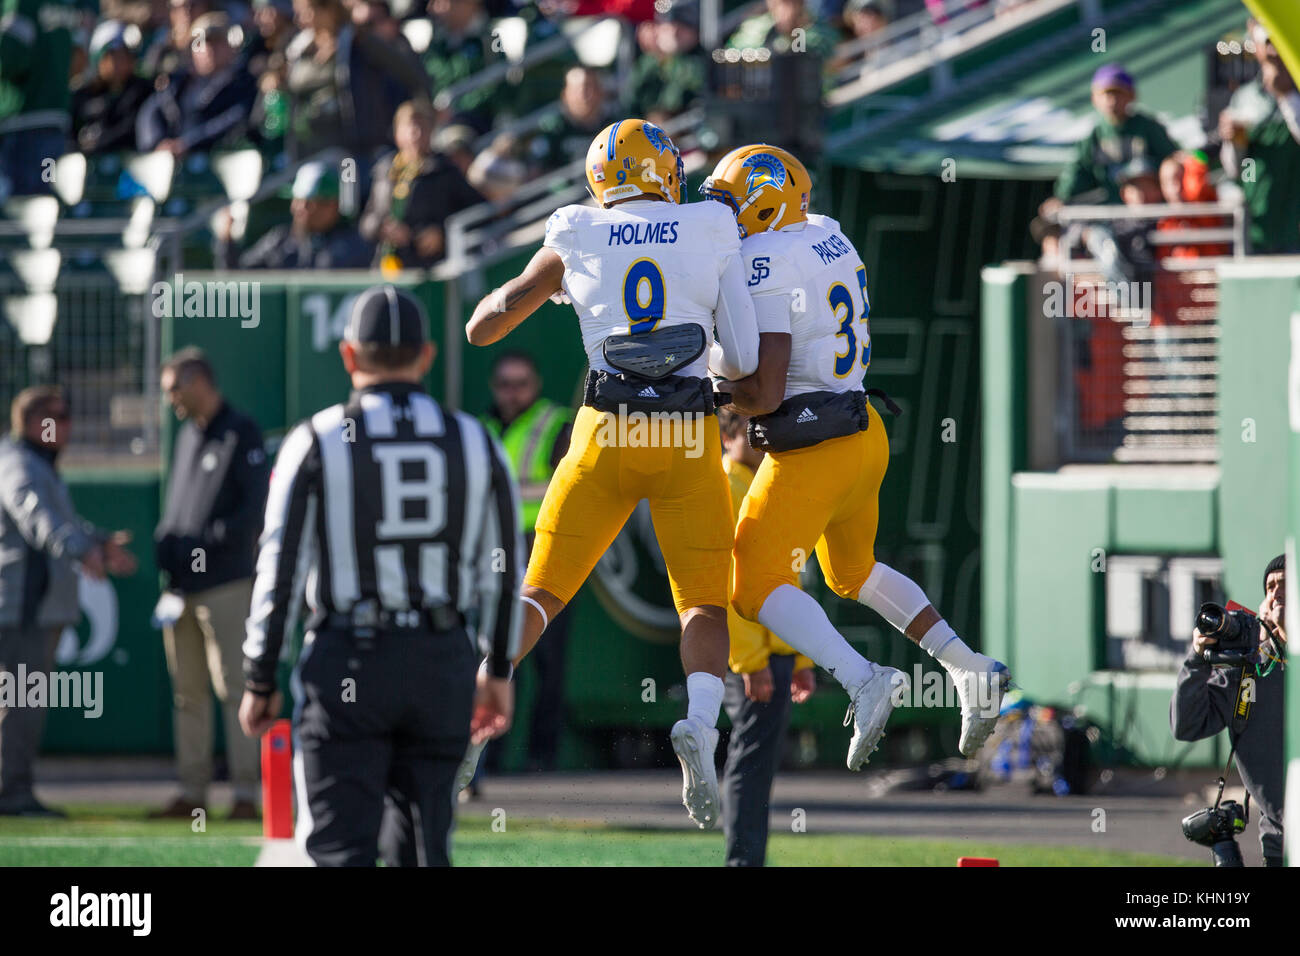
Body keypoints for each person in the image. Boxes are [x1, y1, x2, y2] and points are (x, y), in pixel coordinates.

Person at [461, 119, 760, 828]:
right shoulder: (711, 226)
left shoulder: (575, 229)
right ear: (666, 170)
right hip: (687, 434)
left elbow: (489, 322)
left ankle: (474, 705)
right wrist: (705, 366)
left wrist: (506, 306)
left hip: (605, 430)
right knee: (703, 605)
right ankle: (700, 722)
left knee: (540, 593)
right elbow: (743, 356)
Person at [701, 144, 1010, 766]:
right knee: (852, 572)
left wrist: (706, 389)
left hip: (812, 446)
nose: (722, 215)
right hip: (863, 428)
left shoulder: (765, 261)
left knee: (751, 583)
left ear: (763, 206)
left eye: (732, 202)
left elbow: (761, 394)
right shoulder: (825, 232)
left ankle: (863, 676)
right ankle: (970, 666)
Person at [241, 285, 522, 867]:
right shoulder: (476, 440)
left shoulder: (316, 439)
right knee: (422, 849)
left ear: (349, 356)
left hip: (349, 658)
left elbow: (280, 570)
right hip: (439, 658)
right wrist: (496, 669)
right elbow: (503, 565)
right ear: (426, 355)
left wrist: (259, 676)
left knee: (340, 849)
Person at [0, 387, 136, 816]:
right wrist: (84, 551)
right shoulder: (19, 462)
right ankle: (11, 794)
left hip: (38, 606)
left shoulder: (40, 464)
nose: (66, 425)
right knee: (20, 700)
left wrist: (96, 542)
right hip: (23, 605)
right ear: (30, 421)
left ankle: (13, 789)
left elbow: (65, 523)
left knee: (24, 700)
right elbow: (38, 518)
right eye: (55, 416)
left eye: (68, 414)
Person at [151, 349, 269, 821]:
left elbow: (251, 513)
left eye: (175, 389)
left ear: (200, 382)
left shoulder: (241, 432)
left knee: (236, 689)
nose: (172, 400)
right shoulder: (185, 436)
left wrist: (204, 545)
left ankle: (244, 795)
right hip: (180, 590)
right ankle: (192, 791)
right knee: (188, 693)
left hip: (226, 585)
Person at [716, 406, 814, 866]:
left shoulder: (765, 485)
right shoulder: (725, 487)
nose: (764, 440)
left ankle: (748, 858)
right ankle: (743, 861)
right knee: (751, 761)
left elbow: (786, 578)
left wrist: (800, 658)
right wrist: (750, 660)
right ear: (735, 431)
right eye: (756, 430)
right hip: (750, 659)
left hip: (772, 655)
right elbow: (728, 582)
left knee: (759, 761)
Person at [481, 351, 572, 772]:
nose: (512, 393)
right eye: (504, 384)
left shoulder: (556, 424)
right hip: (490, 552)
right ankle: (488, 754)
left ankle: (542, 759)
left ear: (535, 385)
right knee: (492, 654)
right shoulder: (479, 429)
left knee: (547, 661)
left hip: (543, 549)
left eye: (520, 384)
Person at [1171, 554, 1287, 866]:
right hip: (1281, 844)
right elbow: (1187, 726)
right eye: (1270, 587)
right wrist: (1198, 659)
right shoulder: (1248, 669)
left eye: (1287, 585)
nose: (1276, 594)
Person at [1040, 64, 1180, 223]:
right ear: (1094, 98)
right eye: (1105, 94)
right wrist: (1061, 199)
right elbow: (1076, 176)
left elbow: (1173, 162)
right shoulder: (1093, 137)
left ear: (1132, 96)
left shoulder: (1148, 128)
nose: (1111, 101)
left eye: (1118, 93)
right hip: (1109, 217)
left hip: (1151, 215)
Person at [359, 99, 485, 270]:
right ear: (397, 134)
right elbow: (366, 221)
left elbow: (478, 211)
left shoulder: (444, 169)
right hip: (387, 267)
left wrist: (442, 234)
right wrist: (382, 228)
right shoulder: (384, 171)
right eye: (410, 127)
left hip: (430, 268)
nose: (416, 134)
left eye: (422, 127)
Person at [1219, 20, 1300, 254]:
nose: (1274, 51)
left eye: (1279, 42)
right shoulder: (1244, 98)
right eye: (1268, 43)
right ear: (1256, 47)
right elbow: (1235, 168)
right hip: (1259, 223)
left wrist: (1287, 96)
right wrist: (1231, 140)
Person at [135, 12, 258, 156]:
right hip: (173, 167)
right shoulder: (177, 83)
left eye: (216, 41)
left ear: (232, 46)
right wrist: (157, 144)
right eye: (200, 43)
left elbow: (235, 118)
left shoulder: (245, 82)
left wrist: (188, 144)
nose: (208, 49)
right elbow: (150, 111)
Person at [215, 161, 373, 269]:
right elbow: (239, 280)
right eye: (296, 201)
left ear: (332, 206)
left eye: (309, 203)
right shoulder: (279, 242)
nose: (299, 209)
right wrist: (226, 242)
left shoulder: (354, 245)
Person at [0, 0, 76, 197]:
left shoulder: (18, 3)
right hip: (55, 124)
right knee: (44, 202)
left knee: (20, 212)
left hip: (20, 127)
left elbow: (10, 58)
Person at [71, 20, 153, 155]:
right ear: (99, 59)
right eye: (115, 57)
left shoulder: (141, 91)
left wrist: (97, 145)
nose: (122, 63)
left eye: (126, 56)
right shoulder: (82, 95)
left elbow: (130, 130)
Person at [529, 66, 612, 174]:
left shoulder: (613, 128)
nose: (584, 95)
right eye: (577, 89)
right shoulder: (553, 130)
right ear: (565, 95)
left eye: (589, 87)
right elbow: (538, 172)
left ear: (601, 92)